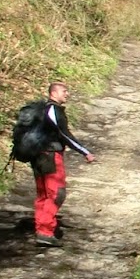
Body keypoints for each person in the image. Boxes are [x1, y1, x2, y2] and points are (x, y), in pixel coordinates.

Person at [33, 81, 95, 247]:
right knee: (56, 194)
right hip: (51, 156)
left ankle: (41, 230)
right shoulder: (53, 110)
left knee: (44, 195)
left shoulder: (40, 110)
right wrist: (85, 151)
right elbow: (63, 135)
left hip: (38, 156)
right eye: (64, 91)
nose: (67, 94)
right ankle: (45, 231)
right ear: (53, 93)